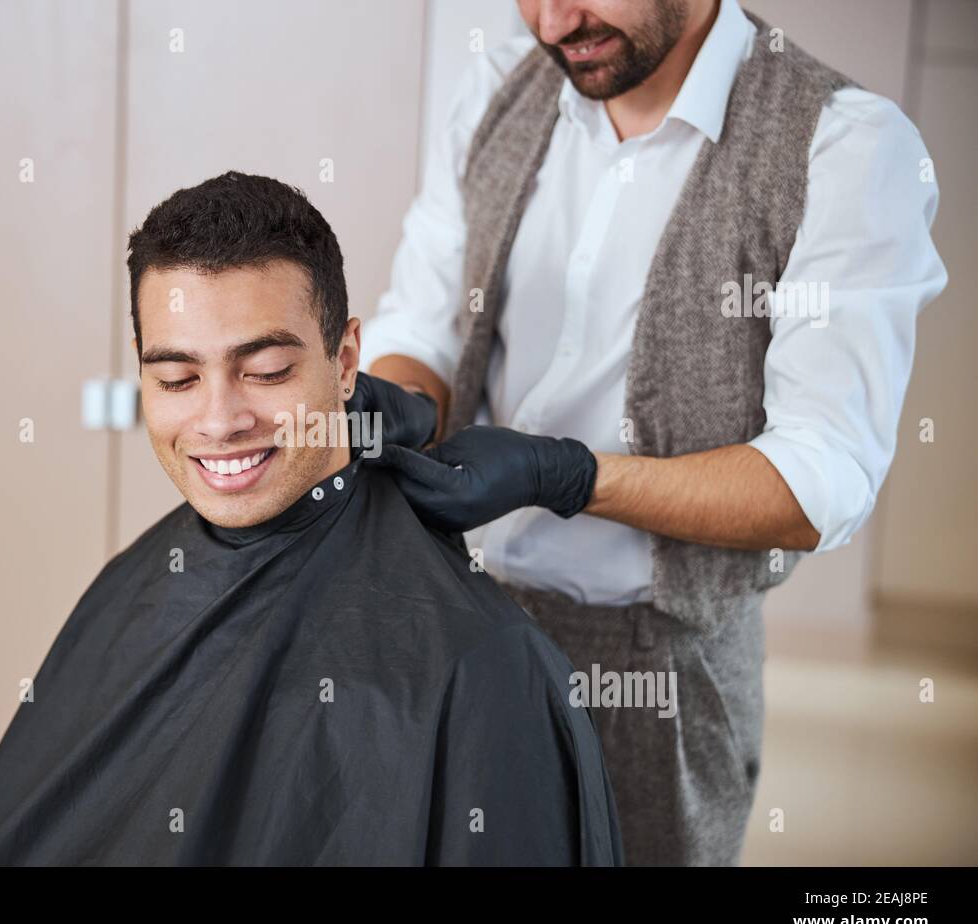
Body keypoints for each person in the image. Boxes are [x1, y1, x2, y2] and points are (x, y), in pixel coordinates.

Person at [358, 0, 948, 864]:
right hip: (464, 625)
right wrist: (405, 401)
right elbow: (426, 322)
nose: (555, 19)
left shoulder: (846, 149)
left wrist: (569, 476)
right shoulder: (495, 92)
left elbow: (819, 479)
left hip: (662, 675)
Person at [0, 171, 624, 866]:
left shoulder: (483, 669)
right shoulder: (138, 581)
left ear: (345, 361)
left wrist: (573, 474)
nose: (220, 421)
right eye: (177, 379)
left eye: (266, 372)